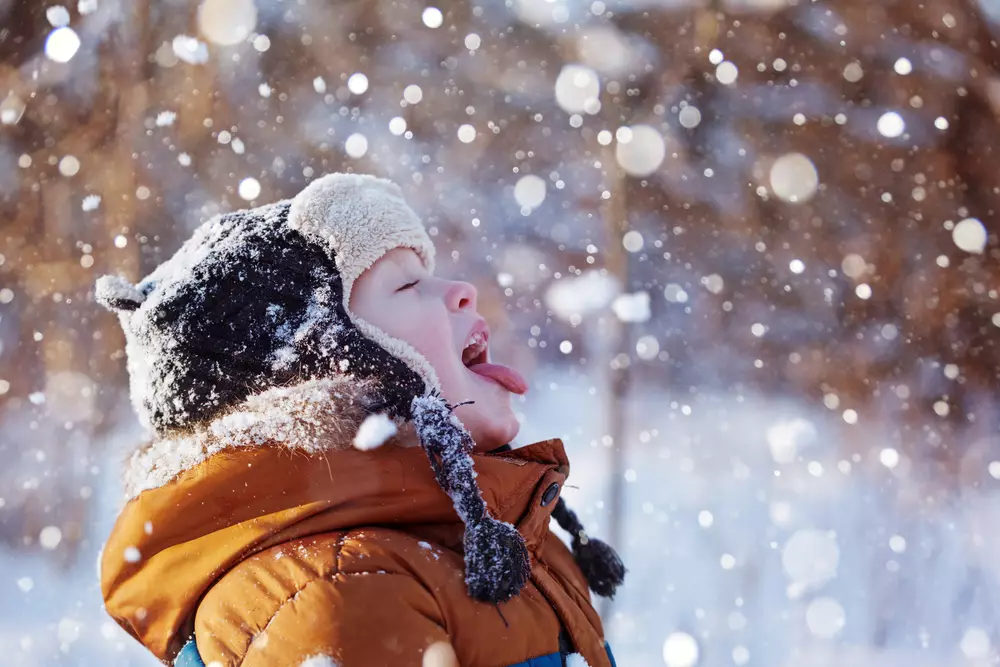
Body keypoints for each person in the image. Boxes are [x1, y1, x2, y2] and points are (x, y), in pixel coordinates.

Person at [95, 173, 625, 667]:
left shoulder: (472, 536)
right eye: (404, 286)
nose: (461, 289)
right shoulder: (337, 594)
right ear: (323, 371)